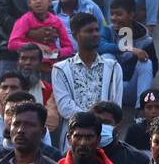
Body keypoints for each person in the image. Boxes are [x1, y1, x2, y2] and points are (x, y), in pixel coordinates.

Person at [51, 12, 122, 145]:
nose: (95, 34)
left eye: (96, 30)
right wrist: (94, 117)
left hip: (105, 137)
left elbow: (116, 107)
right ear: (75, 34)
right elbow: (65, 108)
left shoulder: (113, 67)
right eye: (89, 31)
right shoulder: (60, 69)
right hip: (74, 138)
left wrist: (101, 123)